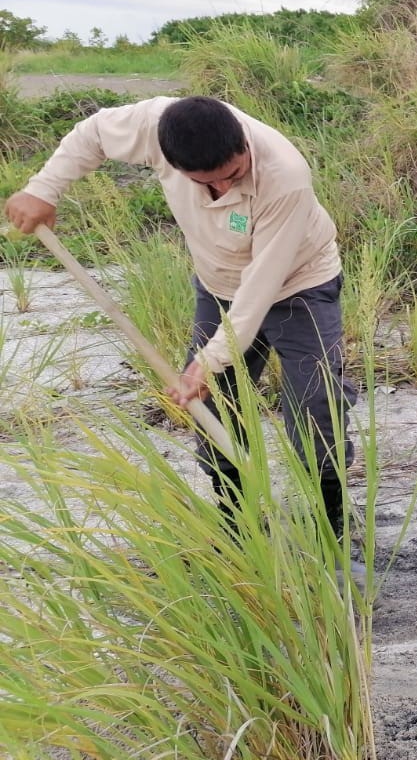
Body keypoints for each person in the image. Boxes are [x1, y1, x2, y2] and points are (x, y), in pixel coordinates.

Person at [4, 95, 359, 559]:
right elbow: (92, 134)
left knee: (316, 402)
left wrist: (206, 361)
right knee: (217, 403)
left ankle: (329, 521)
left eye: (232, 175)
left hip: (297, 284)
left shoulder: (284, 175)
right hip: (218, 284)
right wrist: (43, 189)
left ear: (241, 140)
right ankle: (237, 520)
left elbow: (261, 287)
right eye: (206, 182)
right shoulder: (154, 123)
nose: (223, 186)